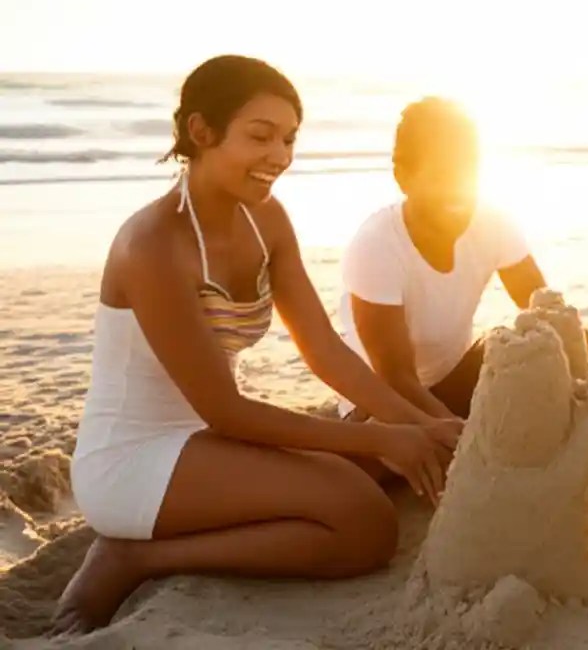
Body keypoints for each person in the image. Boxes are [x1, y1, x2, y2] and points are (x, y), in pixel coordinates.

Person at [53, 56, 461, 634]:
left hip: (205, 440)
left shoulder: (266, 221)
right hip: (134, 458)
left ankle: (167, 540)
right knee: (363, 517)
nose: (280, 156)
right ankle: (131, 556)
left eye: (289, 139)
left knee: (371, 488)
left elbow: (324, 351)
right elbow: (225, 409)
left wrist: (416, 421)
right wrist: (381, 436)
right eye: (261, 136)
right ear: (202, 132)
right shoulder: (152, 244)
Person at [337, 97, 588, 423]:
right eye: (441, 176)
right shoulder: (377, 245)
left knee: (516, 349)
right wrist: (461, 436)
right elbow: (396, 379)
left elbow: (550, 316)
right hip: (381, 405)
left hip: (454, 381)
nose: (457, 192)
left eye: (466, 173)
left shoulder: (492, 223)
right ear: (403, 176)